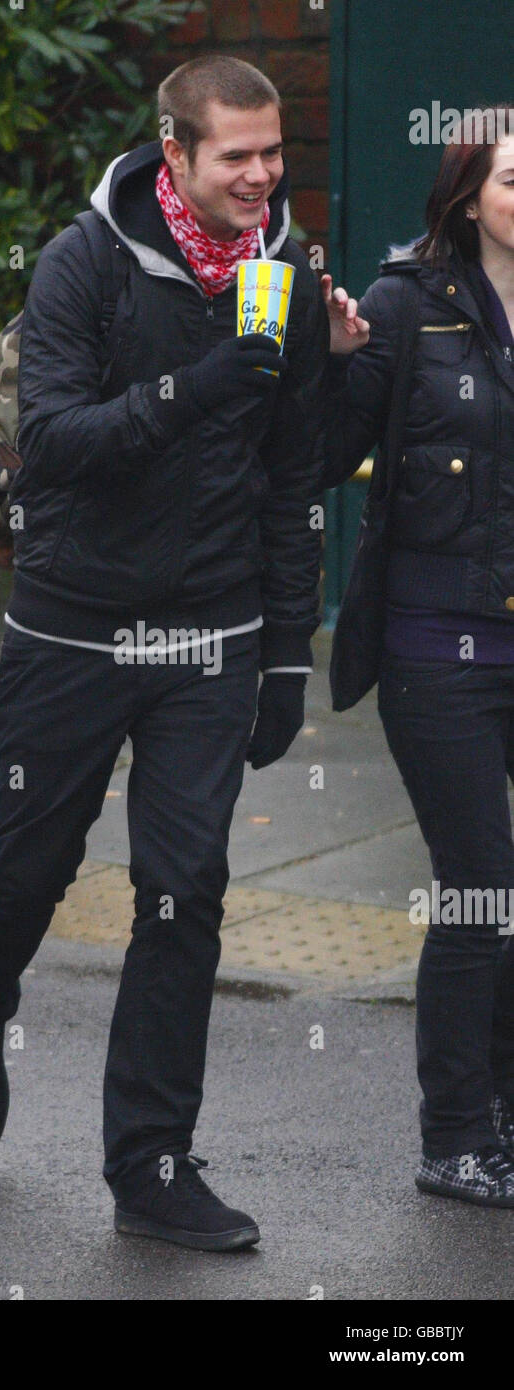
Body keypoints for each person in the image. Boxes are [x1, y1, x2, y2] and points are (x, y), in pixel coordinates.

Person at [0, 54, 330, 1251]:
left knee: (183, 888)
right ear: (174, 152)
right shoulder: (83, 266)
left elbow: (293, 477)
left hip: (211, 634)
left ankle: (151, 1162)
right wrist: (194, 385)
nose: (261, 176)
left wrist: (281, 655)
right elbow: (50, 443)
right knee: (30, 859)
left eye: (273, 154)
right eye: (236, 157)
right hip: (72, 624)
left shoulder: (285, 276)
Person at [323, 107, 514, 1207]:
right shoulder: (402, 303)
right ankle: (452, 1134)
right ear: (466, 194)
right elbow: (326, 452)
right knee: (481, 889)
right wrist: (329, 362)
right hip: (435, 648)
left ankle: (500, 1107)